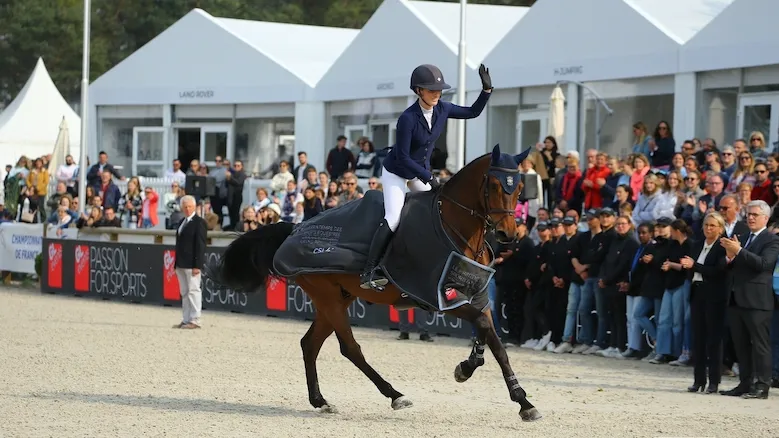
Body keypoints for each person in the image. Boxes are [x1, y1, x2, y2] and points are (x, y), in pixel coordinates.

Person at [359, 63, 494, 290]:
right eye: (431, 90)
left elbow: (473, 112)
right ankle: (369, 271)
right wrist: (428, 177)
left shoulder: (443, 109)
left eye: (439, 91)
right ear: (418, 90)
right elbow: (402, 157)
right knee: (393, 217)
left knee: (438, 212)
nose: (436, 94)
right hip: (397, 172)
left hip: (418, 171)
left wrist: (486, 91)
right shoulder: (408, 118)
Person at [719, 200, 779, 399]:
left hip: (757, 301)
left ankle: (762, 386)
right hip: (736, 298)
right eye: (749, 214)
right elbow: (730, 265)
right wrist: (729, 256)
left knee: (760, 345)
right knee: (741, 344)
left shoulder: (772, 240)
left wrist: (738, 251)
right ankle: (744, 383)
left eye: (755, 214)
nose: (750, 217)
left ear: (765, 218)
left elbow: (764, 264)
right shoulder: (742, 237)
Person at [681, 211, 728, 394]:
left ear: (720, 229)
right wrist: (689, 268)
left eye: (713, 226)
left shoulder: (722, 246)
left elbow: (719, 271)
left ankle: (714, 381)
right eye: (706, 225)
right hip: (697, 293)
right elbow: (690, 268)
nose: (709, 228)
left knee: (714, 340)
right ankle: (698, 380)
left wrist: (695, 266)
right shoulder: (697, 244)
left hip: (714, 296)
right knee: (698, 339)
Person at [173, 195, 208, 329]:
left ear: (194, 207)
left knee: (193, 290)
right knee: (184, 291)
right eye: (185, 207)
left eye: (190, 207)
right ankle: (186, 318)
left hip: (191, 263)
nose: (187, 209)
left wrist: (197, 265)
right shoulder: (182, 221)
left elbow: (200, 245)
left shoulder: (199, 222)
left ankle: (195, 319)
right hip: (181, 262)